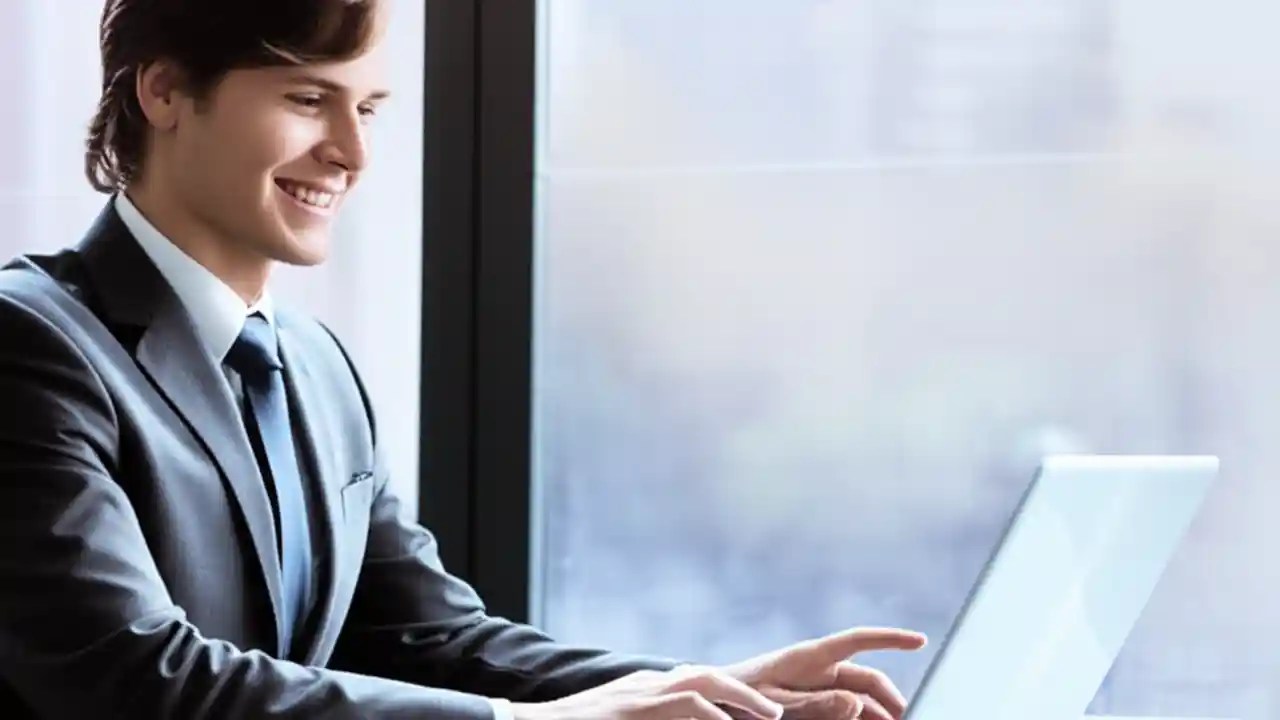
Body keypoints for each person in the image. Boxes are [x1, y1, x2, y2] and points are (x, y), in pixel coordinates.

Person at [0, 1, 926, 718]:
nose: (353, 151)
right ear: (163, 92)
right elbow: (135, 676)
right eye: (307, 98)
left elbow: (430, 636)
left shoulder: (317, 371)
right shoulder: (31, 343)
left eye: (368, 107)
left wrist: (712, 689)